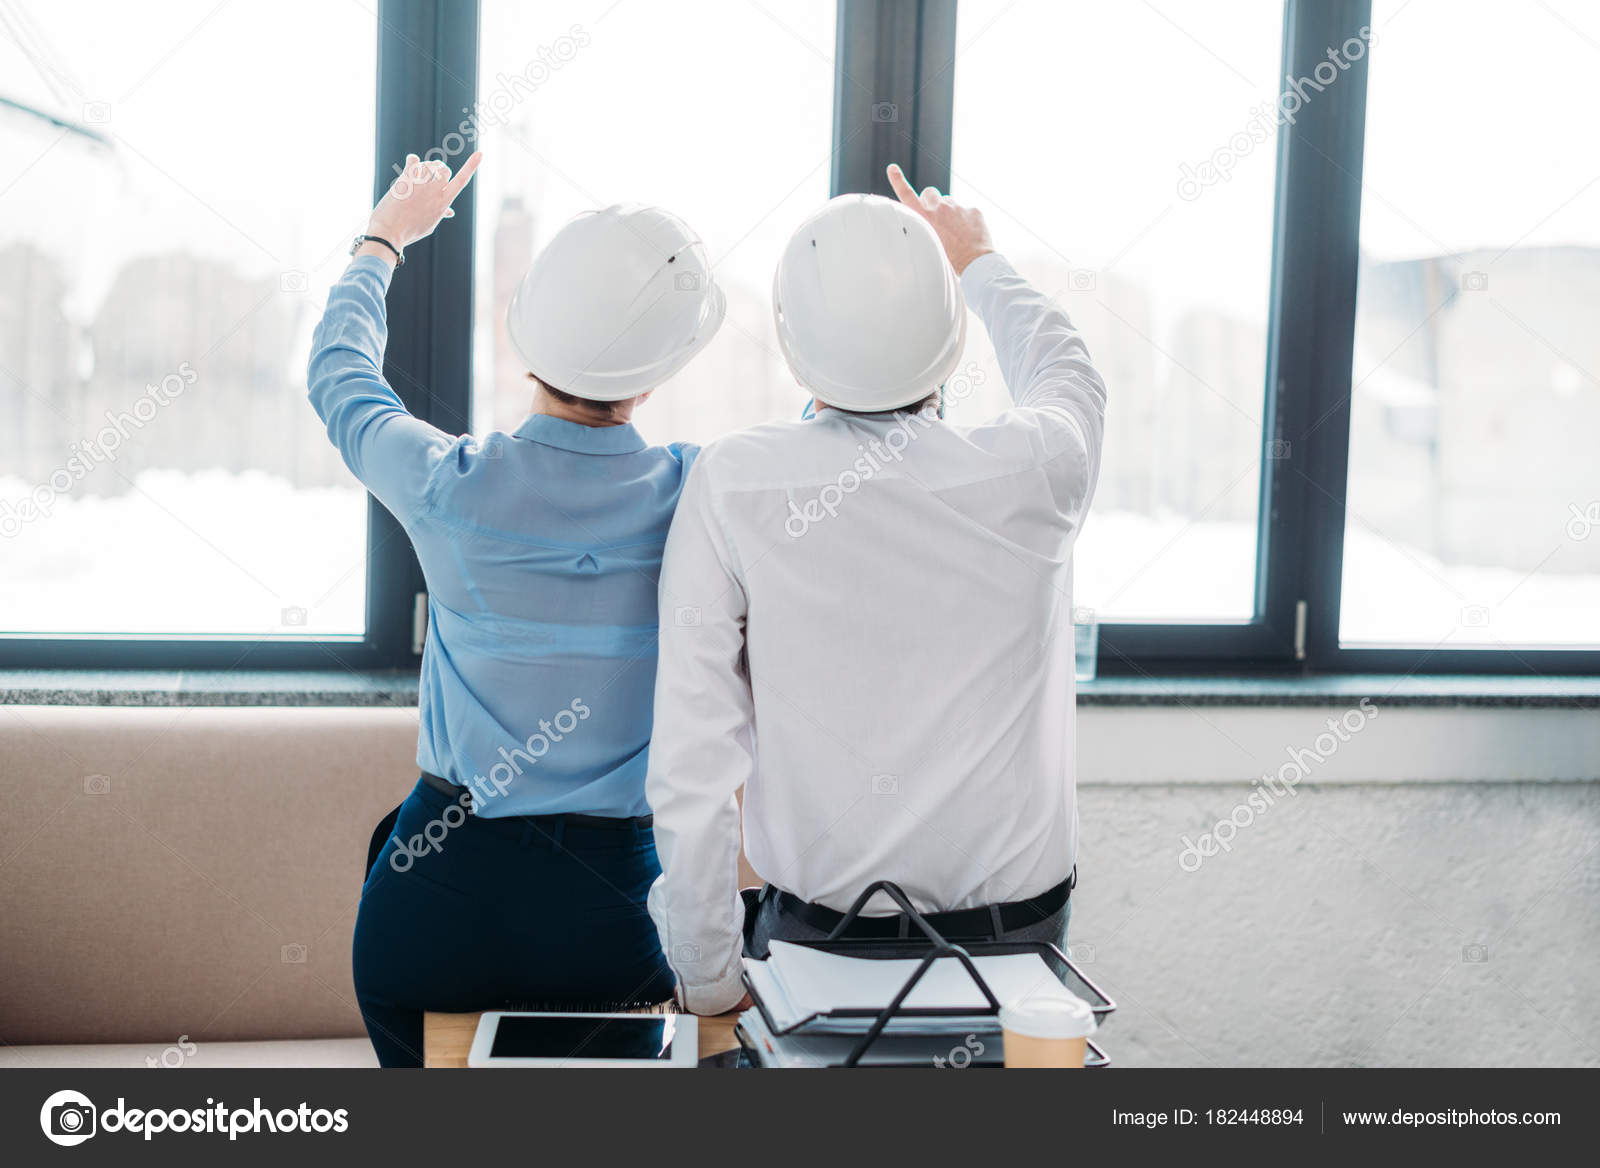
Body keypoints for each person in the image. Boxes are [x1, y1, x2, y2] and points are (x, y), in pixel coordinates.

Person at [644, 163, 1108, 1015]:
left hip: (817, 948)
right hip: (1019, 954)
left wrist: (708, 980)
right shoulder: (1036, 467)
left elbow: (693, 763)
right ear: (950, 337)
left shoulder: (737, 483)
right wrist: (978, 260)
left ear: (794, 339)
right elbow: (1070, 370)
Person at [307, 152, 727, 1063]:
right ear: (652, 380)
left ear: (527, 343)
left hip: (437, 898)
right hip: (609, 913)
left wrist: (384, 239)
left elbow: (340, 380)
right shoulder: (701, 494)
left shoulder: (447, 486)